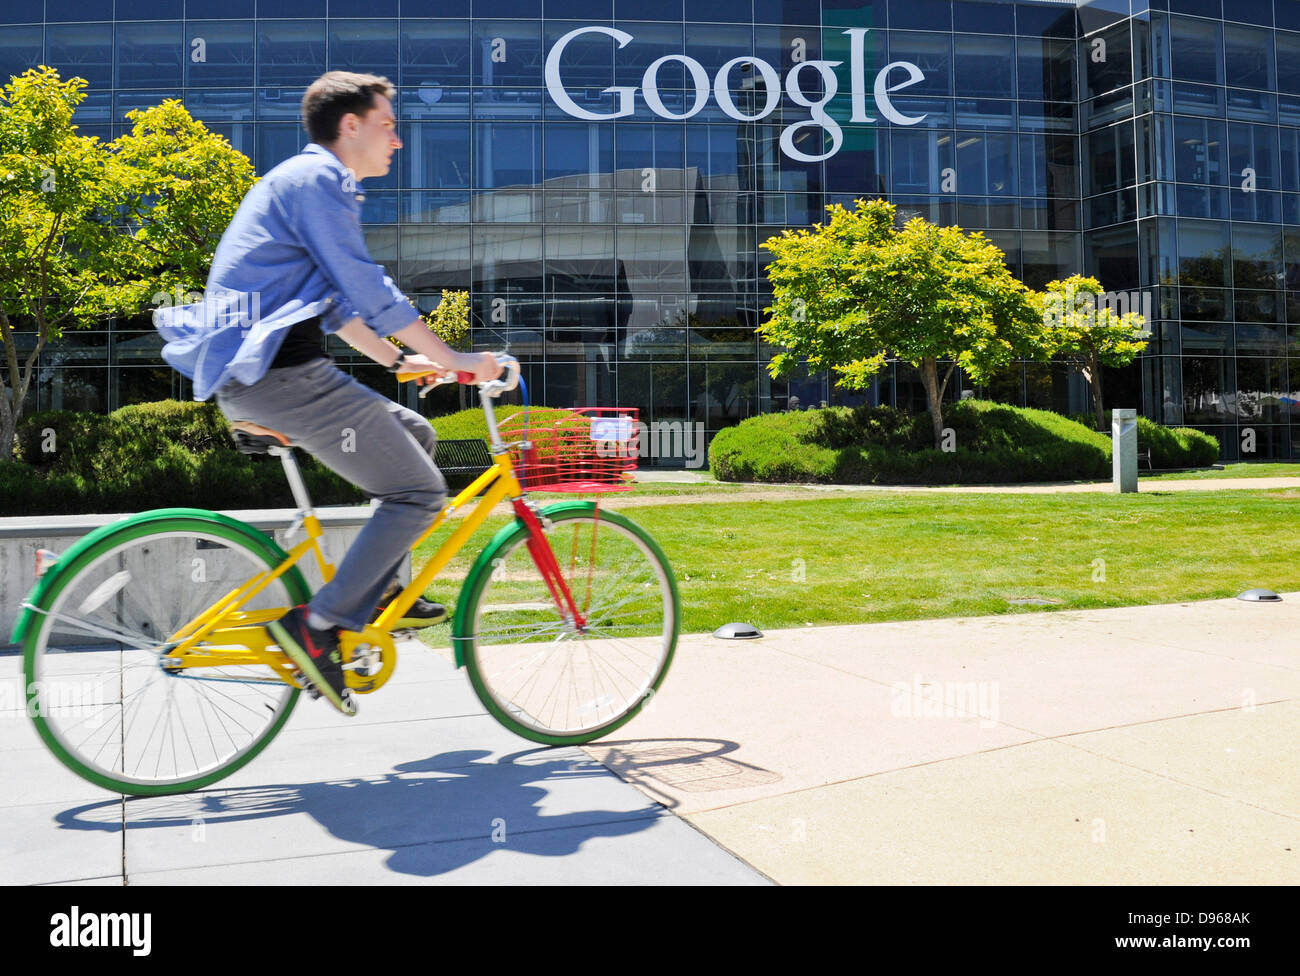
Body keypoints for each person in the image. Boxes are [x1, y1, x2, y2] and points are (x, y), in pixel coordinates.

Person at [155, 71, 501, 716]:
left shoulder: (309, 184)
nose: (398, 140)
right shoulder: (318, 181)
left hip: (275, 378)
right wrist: (454, 358)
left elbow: (340, 308)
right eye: (389, 125)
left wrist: (401, 360)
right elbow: (366, 286)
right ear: (351, 126)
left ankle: (375, 592)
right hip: (281, 380)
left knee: (417, 436)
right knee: (421, 492)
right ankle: (318, 627)